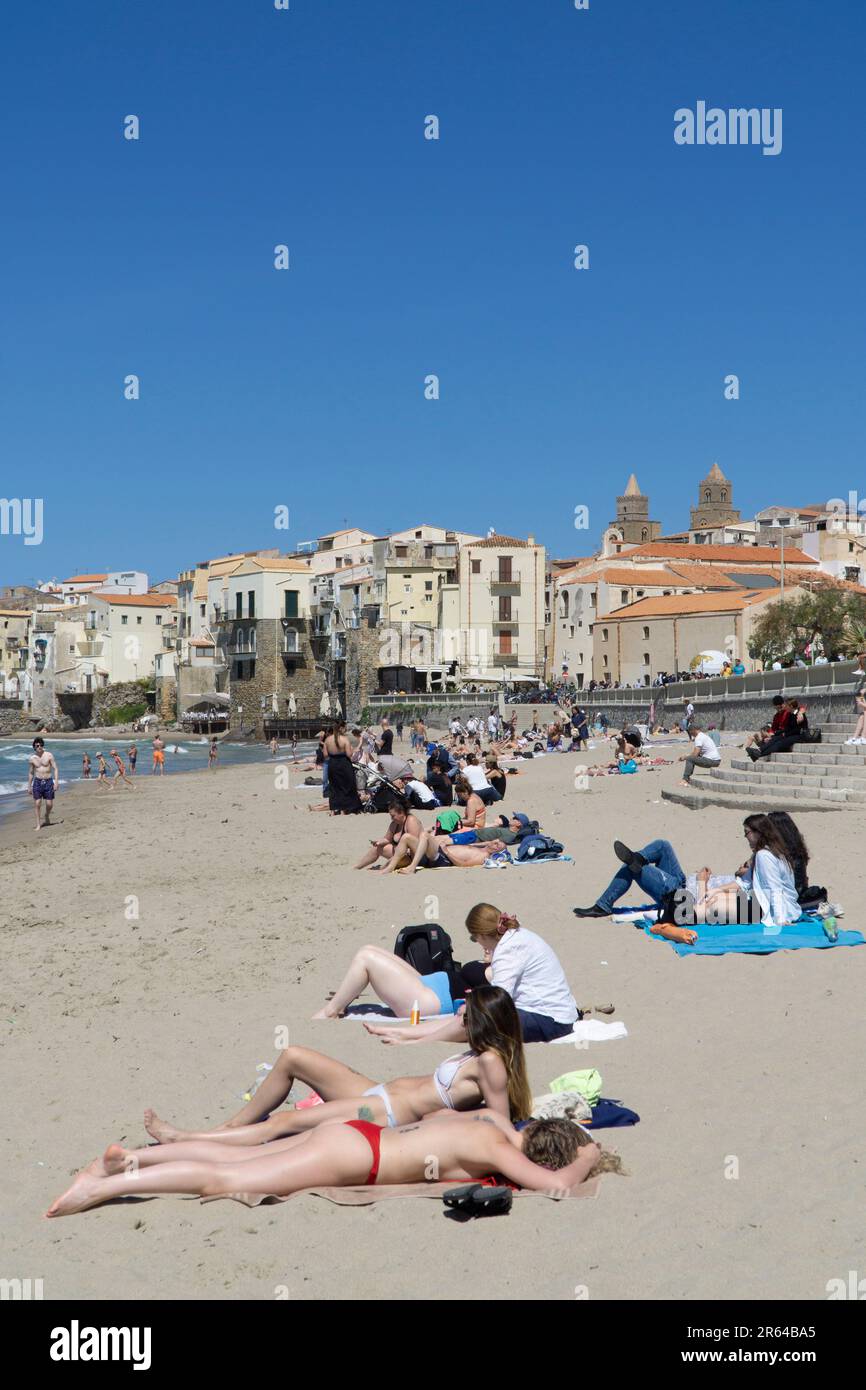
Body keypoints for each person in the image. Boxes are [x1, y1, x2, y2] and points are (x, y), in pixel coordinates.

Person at [151, 986, 533, 1145]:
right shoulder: (479, 1047)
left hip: (384, 1113)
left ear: (483, 1019)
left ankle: (186, 1139)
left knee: (283, 1122)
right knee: (293, 1056)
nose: (460, 1009)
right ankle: (231, 1127)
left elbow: (497, 1121)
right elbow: (442, 1028)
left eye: (468, 1006)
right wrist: (394, 1031)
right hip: (376, 1092)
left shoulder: (490, 1063)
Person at [46, 1109, 606, 1217]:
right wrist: (588, 1155)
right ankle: (103, 1185)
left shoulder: (489, 1123)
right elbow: (556, 1187)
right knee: (227, 1178)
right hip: (357, 1158)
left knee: (239, 1153)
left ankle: (134, 1159)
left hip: (358, 1134)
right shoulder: (499, 1152)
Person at [372, 905, 580, 1044]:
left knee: (473, 1020)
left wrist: (472, 1005)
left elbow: (499, 999)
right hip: (550, 1012)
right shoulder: (518, 937)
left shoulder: (508, 950)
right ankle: (405, 1032)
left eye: (475, 938)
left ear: (482, 935)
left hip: (550, 1021)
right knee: (466, 1014)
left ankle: (418, 1041)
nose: (478, 943)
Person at [573, 838, 686, 918]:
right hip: (682, 881)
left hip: (680, 898)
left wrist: (701, 883)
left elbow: (697, 908)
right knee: (663, 845)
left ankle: (603, 905)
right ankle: (638, 858)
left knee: (631, 866)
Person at [353, 799, 425, 869]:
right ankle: (357, 867)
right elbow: (387, 839)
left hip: (414, 857)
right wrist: (378, 842)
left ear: (401, 813)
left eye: (393, 816)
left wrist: (399, 854)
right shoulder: (395, 824)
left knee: (394, 858)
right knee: (377, 848)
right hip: (399, 853)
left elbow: (414, 845)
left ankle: (384, 867)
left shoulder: (411, 821)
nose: (391, 818)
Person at [325, 721, 362, 814]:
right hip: (344, 763)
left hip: (332, 764)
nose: (346, 729)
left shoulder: (328, 740)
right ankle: (343, 809)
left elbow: (325, 755)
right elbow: (349, 754)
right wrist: (353, 750)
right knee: (347, 786)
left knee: (334, 786)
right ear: (341, 728)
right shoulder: (345, 739)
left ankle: (334, 809)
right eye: (345, 728)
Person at [28, 737, 59, 832]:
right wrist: (29, 786)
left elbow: (55, 768)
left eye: (41, 745)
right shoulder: (32, 759)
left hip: (48, 781)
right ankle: (38, 824)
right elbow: (31, 773)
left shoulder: (49, 755)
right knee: (37, 803)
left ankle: (46, 815)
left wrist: (56, 782)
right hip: (37, 782)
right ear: (34, 747)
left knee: (49, 804)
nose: (39, 747)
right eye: (37, 745)